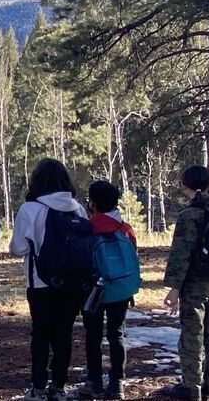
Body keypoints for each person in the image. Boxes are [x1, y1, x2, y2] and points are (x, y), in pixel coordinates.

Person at [9, 158, 89, 401]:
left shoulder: (30, 209)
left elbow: (18, 248)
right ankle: (59, 387)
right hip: (73, 281)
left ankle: (39, 388)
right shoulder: (77, 208)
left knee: (41, 334)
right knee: (64, 334)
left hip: (40, 281)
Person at [159, 166, 209, 401]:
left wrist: (174, 288)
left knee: (192, 333)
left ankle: (191, 386)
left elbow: (181, 253)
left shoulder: (190, 214)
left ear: (184, 185)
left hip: (195, 282)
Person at [81, 180, 138, 399]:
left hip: (94, 289)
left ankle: (94, 382)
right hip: (121, 288)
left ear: (93, 203)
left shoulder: (87, 228)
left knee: (93, 336)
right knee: (117, 334)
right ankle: (117, 383)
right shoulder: (125, 229)